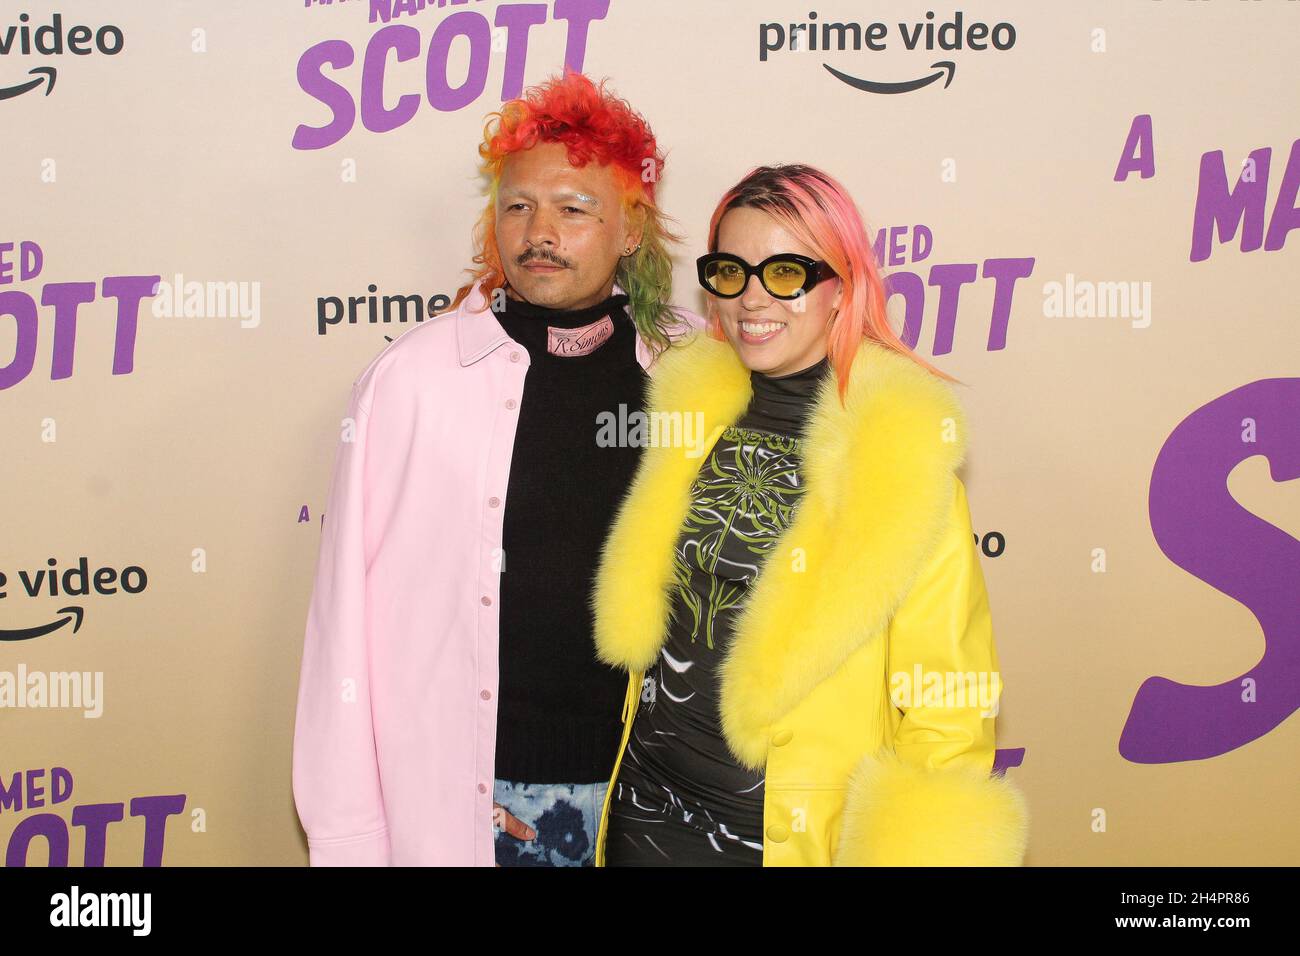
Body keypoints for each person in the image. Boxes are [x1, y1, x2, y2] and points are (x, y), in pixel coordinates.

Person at [291, 70, 701, 867]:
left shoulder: (695, 374)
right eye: (517, 206)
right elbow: (341, 627)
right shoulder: (408, 383)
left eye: (574, 210)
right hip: (471, 800)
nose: (538, 231)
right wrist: (348, 838)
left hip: (655, 797)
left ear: (630, 231)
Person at [590, 163, 1029, 866]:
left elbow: (948, 716)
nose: (752, 298)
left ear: (842, 288)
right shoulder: (690, 417)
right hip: (647, 812)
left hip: (781, 842)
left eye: (787, 273)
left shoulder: (898, 462)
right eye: (730, 271)